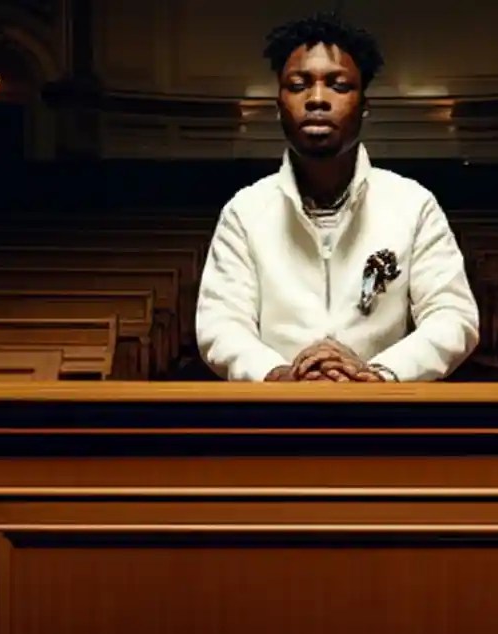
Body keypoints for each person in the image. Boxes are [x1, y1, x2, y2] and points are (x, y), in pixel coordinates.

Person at [194, 11, 479, 382]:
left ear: (364, 105)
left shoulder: (413, 205)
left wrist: (380, 373)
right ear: (279, 105)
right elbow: (220, 322)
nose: (316, 99)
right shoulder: (245, 211)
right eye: (298, 85)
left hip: (382, 414)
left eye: (338, 85)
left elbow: (453, 316)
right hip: (274, 415)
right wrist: (277, 374)